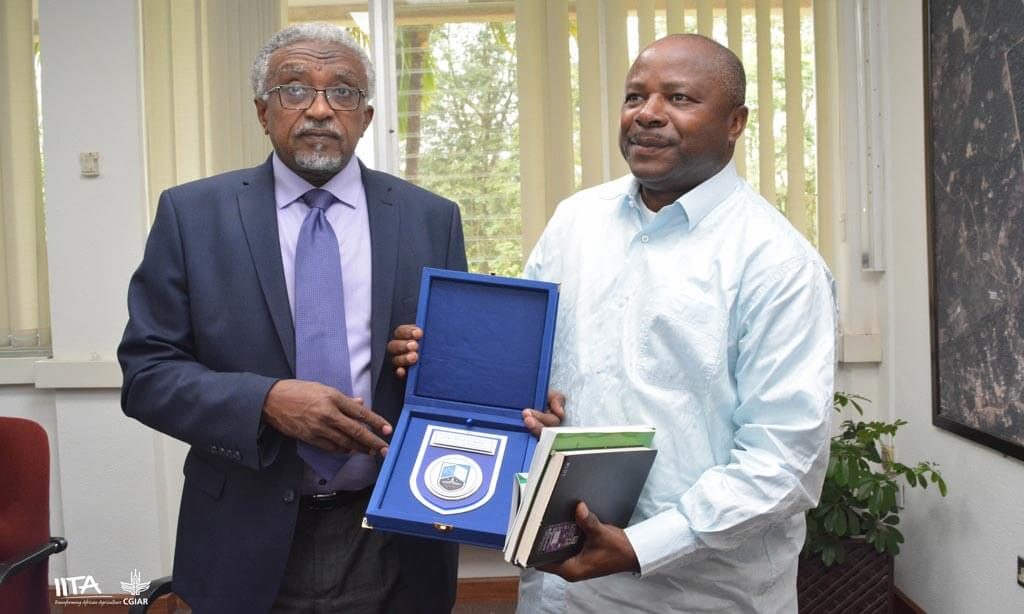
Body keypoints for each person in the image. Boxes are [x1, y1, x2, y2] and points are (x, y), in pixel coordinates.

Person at [118, 22, 560, 613]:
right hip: (243, 530)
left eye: (343, 91)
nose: (321, 109)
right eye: (295, 89)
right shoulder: (192, 215)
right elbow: (147, 374)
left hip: (396, 531)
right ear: (262, 111)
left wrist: (453, 368)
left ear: (368, 115)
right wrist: (266, 400)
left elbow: (452, 372)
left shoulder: (430, 218)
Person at [390, 33, 836, 612]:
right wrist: (449, 358)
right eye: (634, 96)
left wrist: (639, 545)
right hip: (556, 586)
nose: (647, 114)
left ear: (736, 122)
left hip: (698, 594)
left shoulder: (779, 265)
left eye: (678, 98)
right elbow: (533, 370)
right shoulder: (576, 222)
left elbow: (784, 463)